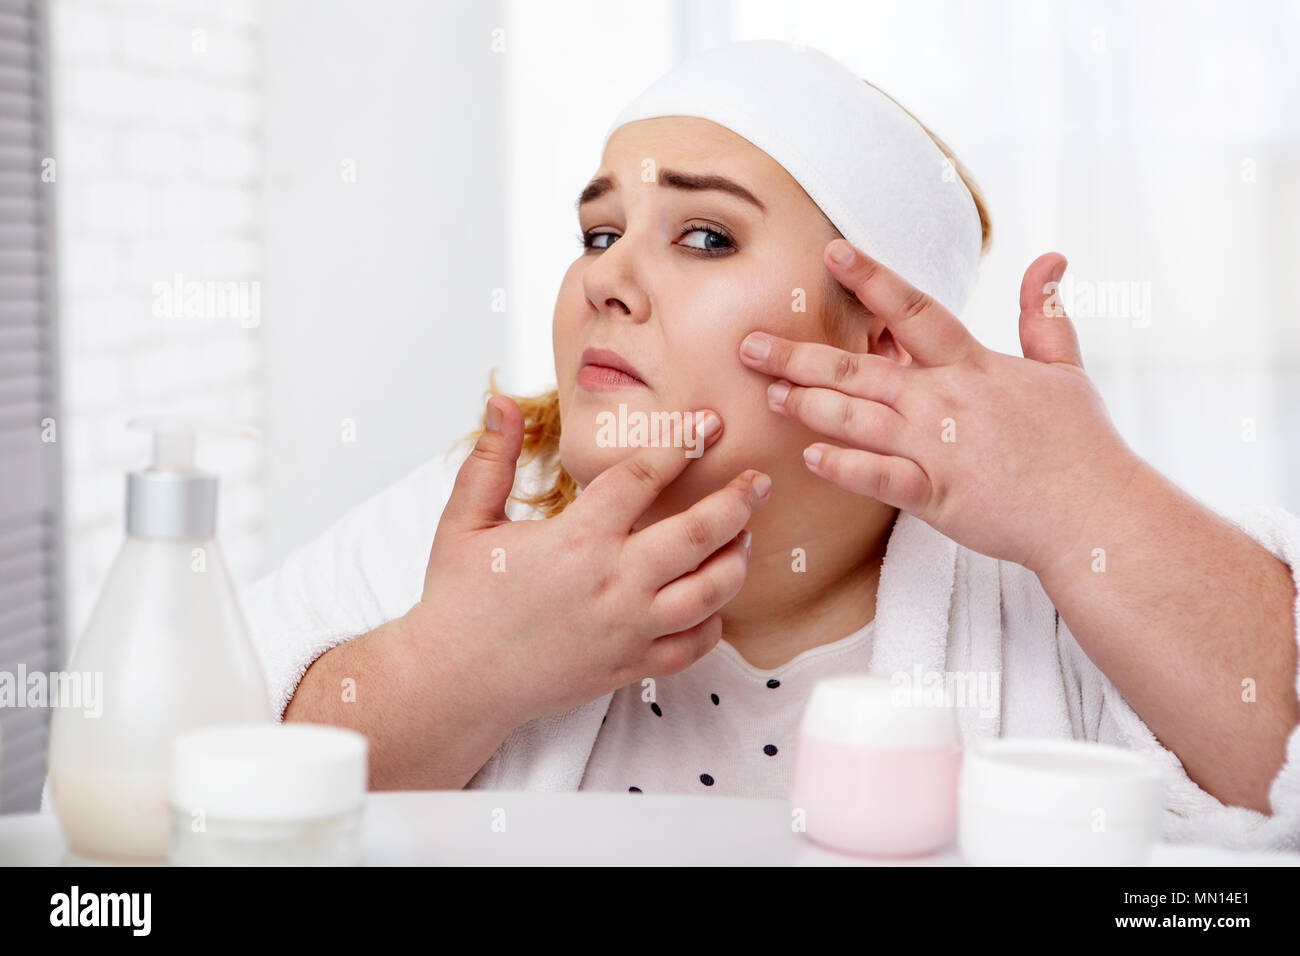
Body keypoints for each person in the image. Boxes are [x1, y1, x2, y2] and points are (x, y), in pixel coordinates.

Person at [240, 40, 1300, 851]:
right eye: (599, 232)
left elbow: (1277, 777)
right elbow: (187, 796)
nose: (604, 277)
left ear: (878, 337)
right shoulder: (485, 520)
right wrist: (455, 665)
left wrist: (1089, 500)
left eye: (704, 236)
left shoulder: (1036, 585)